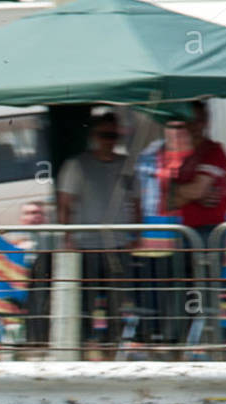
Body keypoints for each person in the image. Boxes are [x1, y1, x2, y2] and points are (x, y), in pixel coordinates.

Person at [57, 113, 140, 347]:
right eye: (104, 135)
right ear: (94, 136)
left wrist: (138, 234)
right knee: (85, 301)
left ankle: (113, 346)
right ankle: (81, 345)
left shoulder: (127, 166)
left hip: (118, 245)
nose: (109, 140)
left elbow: (137, 202)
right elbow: (65, 203)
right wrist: (68, 237)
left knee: (117, 300)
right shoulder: (77, 165)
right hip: (86, 246)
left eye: (113, 135)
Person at [170, 100, 226, 248]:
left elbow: (197, 190)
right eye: (190, 120)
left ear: (206, 122)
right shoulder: (181, 157)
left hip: (209, 232)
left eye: (199, 120)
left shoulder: (215, 151)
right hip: (183, 231)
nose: (194, 125)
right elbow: (167, 200)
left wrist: (177, 190)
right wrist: (188, 193)